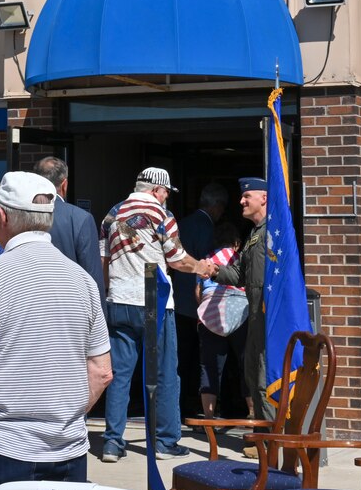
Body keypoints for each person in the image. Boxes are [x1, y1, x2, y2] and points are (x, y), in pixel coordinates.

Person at [0, 172, 111, 490]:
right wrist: (65, 413)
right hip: (67, 447)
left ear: (3, 217)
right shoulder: (82, 280)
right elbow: (101, 372)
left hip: (2, 444)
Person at [99, 166, 216, 463]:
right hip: (153, 295)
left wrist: (109, 293)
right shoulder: (163, 216)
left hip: (119, 297)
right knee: (164, 372)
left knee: (119, 375)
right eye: (165, 192)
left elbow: (104, 260)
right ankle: (165, 441)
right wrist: (203, 267)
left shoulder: (112, 214)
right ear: (155, 190)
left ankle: (112, 442)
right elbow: (177, 260)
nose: (166, 198)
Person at [213, 177, 273, 428]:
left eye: (247, 196)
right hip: (255, 317)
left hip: (269, 317)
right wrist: (213, 270)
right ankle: (263, 436)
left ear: (264, 199)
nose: (241, 201)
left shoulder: (274, 233)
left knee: (264, 377)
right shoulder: (254, 235)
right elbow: (239, 275)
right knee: (252, 373)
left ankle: (272, 442)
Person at [173, 182, 228, 419]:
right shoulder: (207, 229)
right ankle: (196, 407)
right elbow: (207, 268)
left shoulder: (182, 223)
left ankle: (180, 405)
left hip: (178, 300)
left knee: (181, 358)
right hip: (197, 304)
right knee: (200, 359)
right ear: (216, 206)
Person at [196, 222, 252, 425]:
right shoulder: (241, 258)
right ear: (237, 243)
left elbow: (198, 292)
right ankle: (253, 415)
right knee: (247, 365)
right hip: (240, 314)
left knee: (209, 367)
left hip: (211, 315)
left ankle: (209, 420)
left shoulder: (207, 261)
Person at [34, 156, 104, 299]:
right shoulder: (81, 219)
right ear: (64, 185)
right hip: (72, 306)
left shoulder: (19, 214)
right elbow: (92, 277)